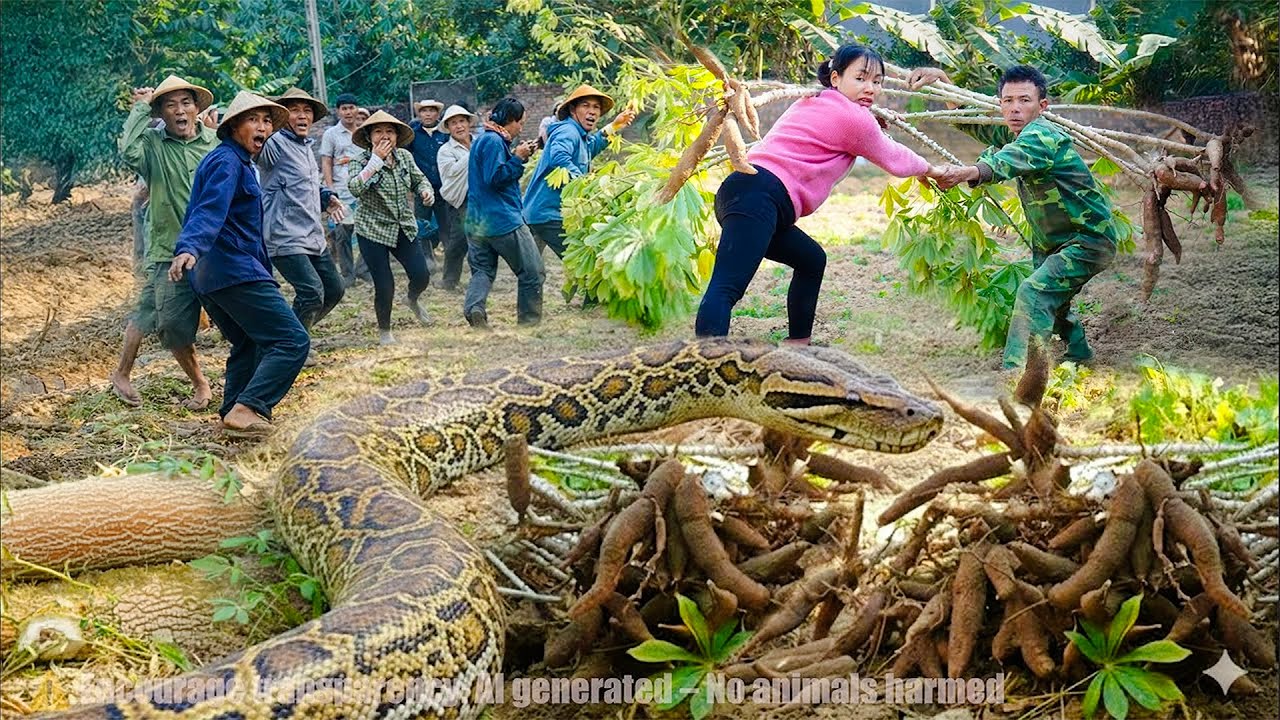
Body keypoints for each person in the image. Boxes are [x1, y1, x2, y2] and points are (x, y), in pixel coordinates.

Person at [693, 44, 950, 344]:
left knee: (811, 260)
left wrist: (872, 127)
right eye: (861, 78)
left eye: (877, 81)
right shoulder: (854, 118)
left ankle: (798, 345)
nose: (870, 88)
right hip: (759, 197)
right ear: (836, 78)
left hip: (750, 194)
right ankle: (705, 363)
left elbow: (845, 133)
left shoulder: (813, 99)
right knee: (726, 287)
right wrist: (931, 170)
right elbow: (893, 155)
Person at [911, 64, 1118, 369]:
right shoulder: (1016, 133)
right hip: (1054, 241)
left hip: (1087, 240)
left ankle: (1018, 377)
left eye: (1024, 100)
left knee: (1034, 294)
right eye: (1008, 101)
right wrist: (943, 82)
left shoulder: (1043, 136)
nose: (1015, 108)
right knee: (1053, 301)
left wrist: (966, 172)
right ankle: (1079, 354)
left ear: (1042, 106)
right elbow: (974, 123)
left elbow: (1007, 160)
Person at [170, 91, 310, 436]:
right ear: (234, 126)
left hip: (215, 275)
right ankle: (250, 408)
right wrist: (190, 245)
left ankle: (231, 416)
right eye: (254, 120)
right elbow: (209, 209)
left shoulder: (239, 163)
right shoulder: (226, 162)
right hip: (231, 269)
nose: (262, 127)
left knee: (249, 342)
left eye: (266, 121)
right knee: (291, 340)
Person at [110, 74, 219, 411]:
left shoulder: (215, 143)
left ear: (197, 108)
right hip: (168, 251)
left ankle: (250, 383)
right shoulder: (153, 147)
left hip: (214, 250)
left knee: (235, 314)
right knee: (169, 323)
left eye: (186, 103)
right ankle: (200, 383)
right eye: (170, 105)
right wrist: (140, 110)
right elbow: (128, 150)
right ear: (161, 113)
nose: (180, 110)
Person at [257, 87, 347, 346]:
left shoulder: (305, 146)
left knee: (334, 289)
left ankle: (294, 336)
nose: (302, 115)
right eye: (294, 110)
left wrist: (325, 197)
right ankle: (291, 344)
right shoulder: (274, 143)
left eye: (306, 110)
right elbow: (259, 149)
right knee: (311, 293)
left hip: (311, 234)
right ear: (282, 116)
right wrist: (264, 121)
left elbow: (306, 183)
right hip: (284, 235)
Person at [346, 110, 435, 345]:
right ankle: (385, 331)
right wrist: (375, 162)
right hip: (372, 230)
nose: (384, 136)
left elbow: (419, 179)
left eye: (389, 131)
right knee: (385, 283)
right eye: (378, 131)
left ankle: (413, 299)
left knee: (421, 274)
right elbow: (355, 188)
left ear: (396, 136)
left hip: (402, 225)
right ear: (369, 137)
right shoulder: (360, 161)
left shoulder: (404, 157)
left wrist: (426, 192)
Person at [523, 84, 636, 260]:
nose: (592, 111)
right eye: (586, 105)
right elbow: (559, 158)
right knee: (581, 262)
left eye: (596, 107)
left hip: (538, 213)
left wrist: (614, 126)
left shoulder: (579, 134)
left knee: (532, 275)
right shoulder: (568, 130)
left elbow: (590, 147)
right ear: (573, 109)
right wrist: (586, 183)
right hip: (549, 214)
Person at [463, 97, 544, 329]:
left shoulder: (485, 140)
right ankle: (529, 323)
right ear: (510, 120)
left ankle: (475, 309)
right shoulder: (493, 142)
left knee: (482, 271)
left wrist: (519, 154)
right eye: (520, 123)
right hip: (502, 220)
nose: (521, 128)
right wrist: (518, 158)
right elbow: (495, 178)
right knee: (532, 273)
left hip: (477, 222)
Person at [319, 92, 360, 285]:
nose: (348, 112)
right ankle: (347, 275)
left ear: (357, 109)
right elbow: (326, 162)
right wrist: (330, 189)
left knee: (368, 232)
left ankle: (363, 270)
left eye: (351, 107)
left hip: (363, 192)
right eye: (344, 108)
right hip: (341, 191)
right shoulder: (331, 134)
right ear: (338, 111)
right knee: (343, 235)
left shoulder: (364, 132)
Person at [435, 104, 476, 292]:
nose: (459, 126)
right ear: (448, 128)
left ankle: (479, 278)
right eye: (453, 123)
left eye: (462, 121)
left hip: (481, 197)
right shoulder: (445, 151)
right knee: (460, 241)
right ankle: (450, 281)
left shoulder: (478, 142)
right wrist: (473, 154)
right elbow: (451, 173)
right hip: (460, 200)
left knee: (479, 239)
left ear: (468, 123)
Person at [409, 99, 449, 263]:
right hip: (422, 188)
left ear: (437, 114)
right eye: (424, 111)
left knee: (447, 224)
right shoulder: (413, 134)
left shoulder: (445, 133)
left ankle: (452, 258)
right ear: (419, 114)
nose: (427, 114)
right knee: (422, 223)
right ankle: (426, 258)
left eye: (431, 110)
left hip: (444, 188)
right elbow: (407, 159)